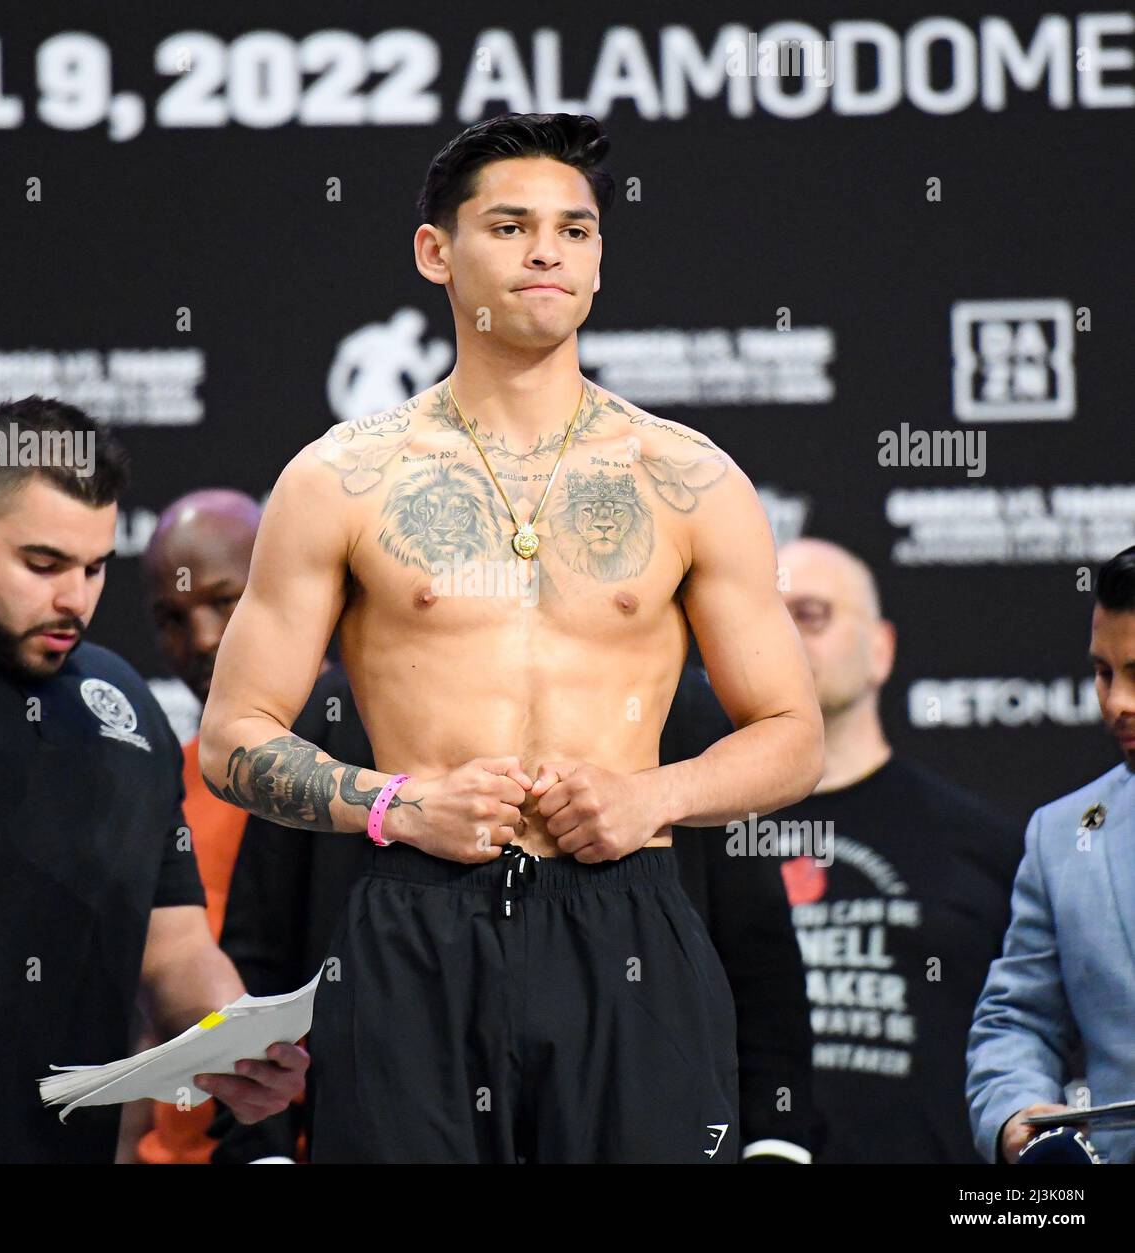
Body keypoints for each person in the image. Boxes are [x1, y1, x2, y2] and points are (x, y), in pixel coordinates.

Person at [200, 112, 824, 1164]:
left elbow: (795, 734)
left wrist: (652, 794)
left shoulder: (688, 479)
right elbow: (231, 738)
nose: (547, 251)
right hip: (413, 916)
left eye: (575, 230)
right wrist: (398, 804)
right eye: (511, 224)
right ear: (434, 252)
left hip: (628, 916)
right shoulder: (340, 478)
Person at [0, 397, 305, 1163]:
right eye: (42, 564)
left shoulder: (121, 709)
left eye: (93, 569)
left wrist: (238, 1039)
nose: (74, 599)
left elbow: (177, 949)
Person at [212, 660, 823, 1163]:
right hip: (406, 957)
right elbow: (261, 942)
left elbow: (756, 943)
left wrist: (776, 1142)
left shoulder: (671, 701)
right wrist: (259, 1152)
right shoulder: (334, 710)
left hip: (630, 947)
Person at [763, 538, 1021, 1163]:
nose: (787, 641)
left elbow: (1031, 1034)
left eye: (812, 614)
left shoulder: (983, 843)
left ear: (880, 648)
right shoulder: (701, 834)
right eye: (767, 620)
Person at [968, 545, 1135, 1166]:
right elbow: (1018, 1020)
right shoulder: (1062, 834)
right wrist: (1017, 1110)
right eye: (1104, 672)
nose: (1117, 702)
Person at [124, 489, 267, 1164]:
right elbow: (145, 1020)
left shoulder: (371, 774)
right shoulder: (159, 781)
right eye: (172, 617)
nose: (203, 638)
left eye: (223, 601)